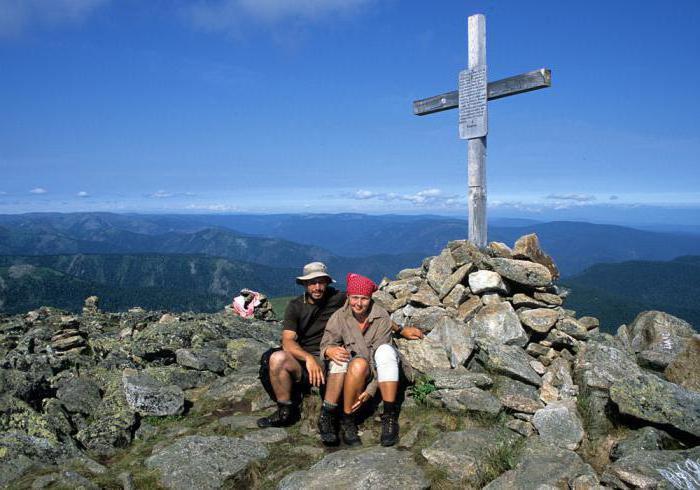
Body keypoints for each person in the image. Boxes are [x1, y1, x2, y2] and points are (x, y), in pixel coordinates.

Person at [257, 262, 423, 429]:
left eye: (321, 282)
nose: (317, 287)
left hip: (330, 355)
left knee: (341, 360)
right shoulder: (295, 306)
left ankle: (328, 415)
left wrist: (401, 329)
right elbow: (287, 341)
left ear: (327, 282)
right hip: (304, 355)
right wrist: (308, 358)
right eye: (312, 282)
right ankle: (285, 410)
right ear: (304, 284)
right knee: (276, 358)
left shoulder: (341, 298)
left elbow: (372, 310)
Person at [318, 273, 402, 447]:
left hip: (375, 369)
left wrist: (371, 389)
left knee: (386, 351)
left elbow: (379, 356)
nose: (358, 303)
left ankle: (389, 416)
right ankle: (346, 419)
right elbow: (326, 343)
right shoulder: (339, 316)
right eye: (355, 297)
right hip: (352, 368)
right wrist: (329, 350)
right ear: (348, 297)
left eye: (364, 298)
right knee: (350, 360)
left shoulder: (381, 317)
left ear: (370, 299)